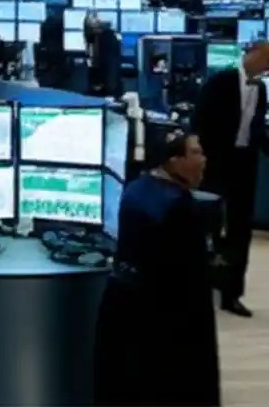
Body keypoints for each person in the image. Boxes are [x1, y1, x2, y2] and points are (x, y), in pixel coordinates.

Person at [93, 132, 219, 406]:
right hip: (163, 339)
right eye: (196, 152)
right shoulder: (180, 208)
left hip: (122, 328)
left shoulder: (135, 189)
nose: (204, 159)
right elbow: (193, 295)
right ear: (175, 160)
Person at [192, 40, 269, 317]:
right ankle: (200, 287)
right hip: (214, 165)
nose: (267, 68)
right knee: (207, 229)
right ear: (253, 54)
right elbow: (199, 123)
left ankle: (231, 294)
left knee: (240, 231)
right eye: (266, 60)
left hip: (244, 166)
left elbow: (256, 131)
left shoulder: (260, 90)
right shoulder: (219, 82)